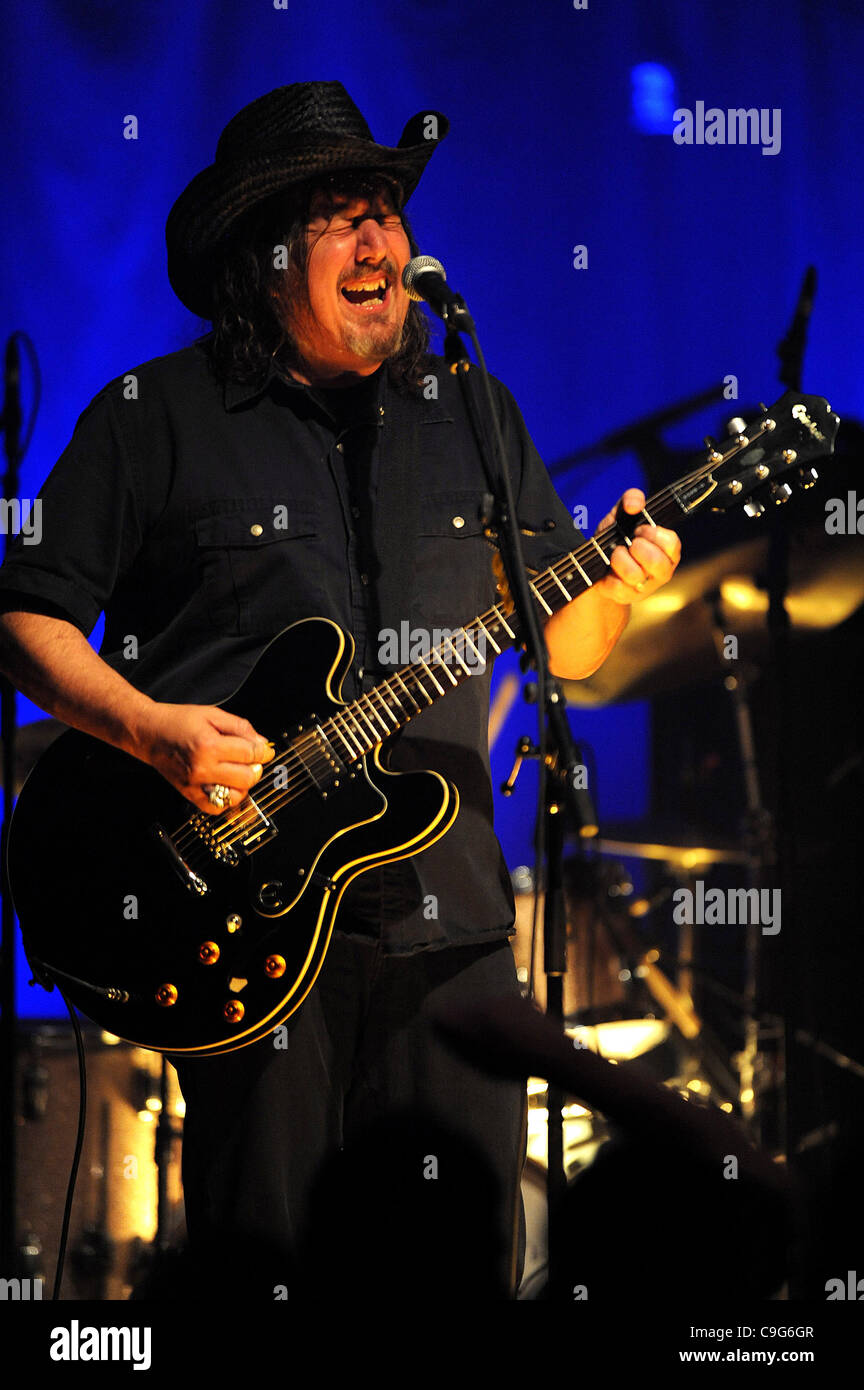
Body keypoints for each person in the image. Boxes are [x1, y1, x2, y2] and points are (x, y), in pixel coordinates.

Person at [0, 81, 681, 1297]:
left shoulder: (470, 408)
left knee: (460, 1273)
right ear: (264, 260)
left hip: (450, 921)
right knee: (270, 1267)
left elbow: (565, 646)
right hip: (245, 923)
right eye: (341, 216)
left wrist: (624, 581)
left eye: (390, 213)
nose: (383, 243)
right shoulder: (157, 418)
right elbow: (23, 616)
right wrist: (150, 731)